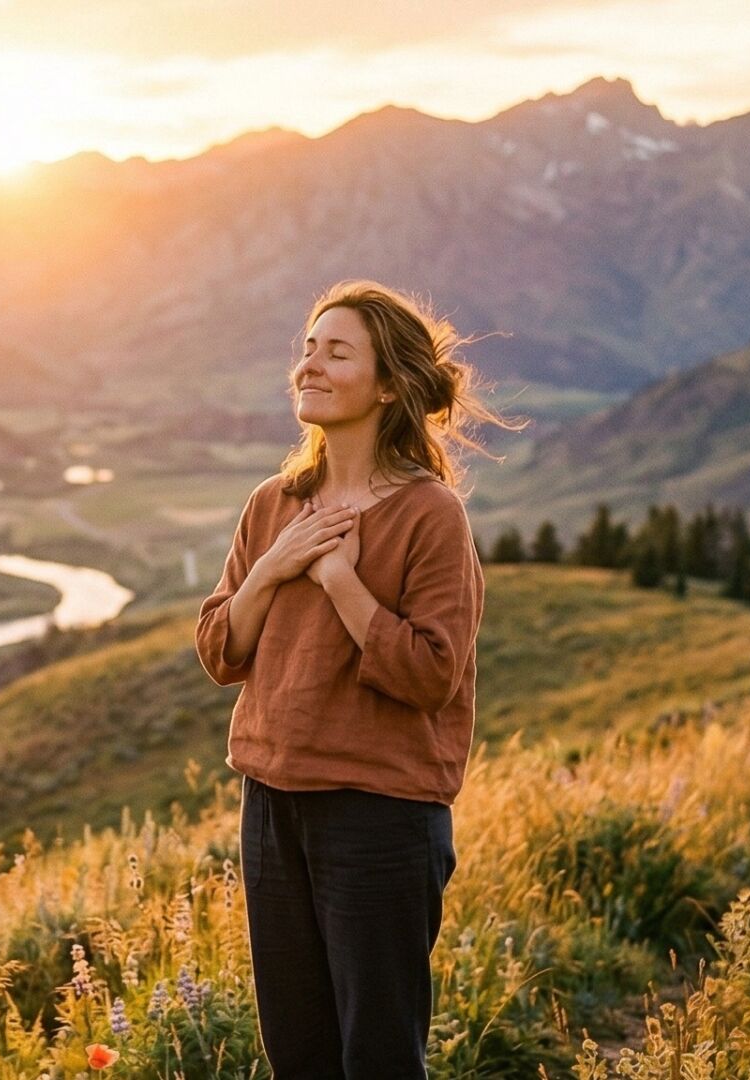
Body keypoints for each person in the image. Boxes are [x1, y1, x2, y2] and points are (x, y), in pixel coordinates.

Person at [194, 279, 525, 1078]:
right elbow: (218, 649)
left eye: (336, 351)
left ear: (386, 386)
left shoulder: (429, 514)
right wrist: (271, 570)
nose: (310, 364)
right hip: (271, 807)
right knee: (299, 1058)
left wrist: (342, 580)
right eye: (308, 347)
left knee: (377, 1057)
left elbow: (432, 675)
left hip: (380, 817)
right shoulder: (273, 504)